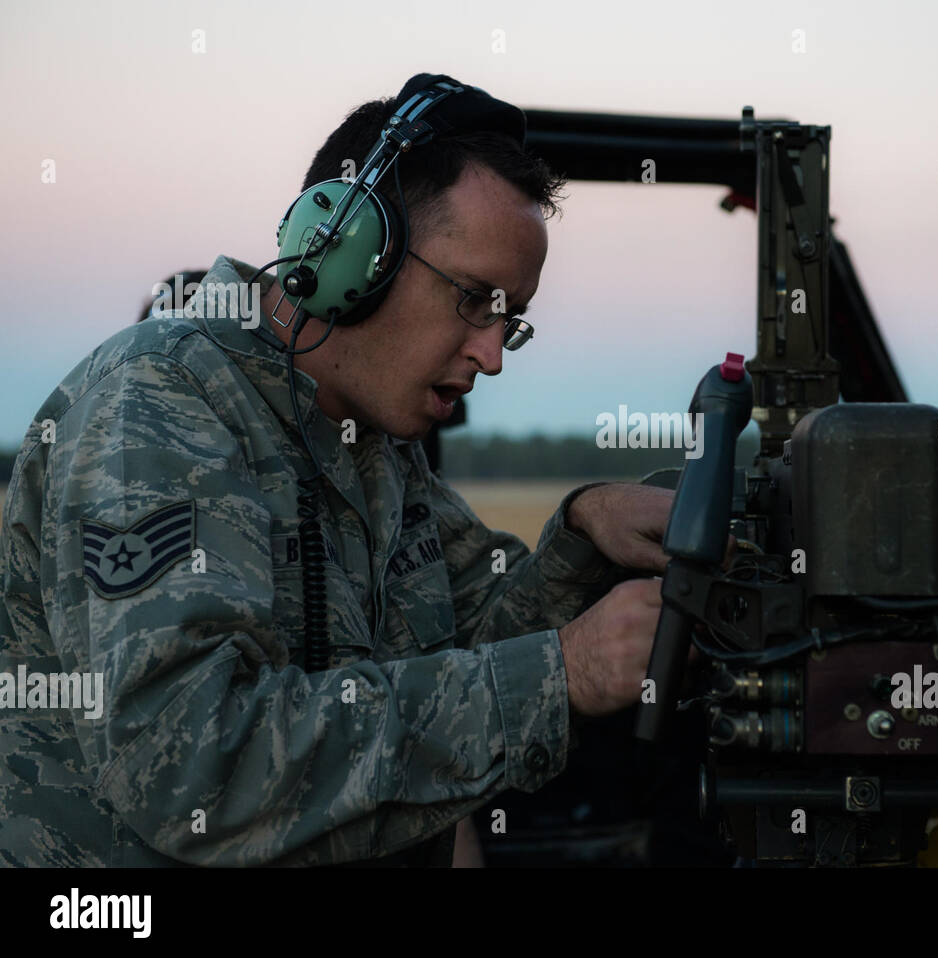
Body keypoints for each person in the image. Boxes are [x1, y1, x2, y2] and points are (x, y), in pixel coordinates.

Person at [0, 74, 683, 866]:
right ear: (349, 249)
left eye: (510, 320)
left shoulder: (368, 439)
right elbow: (194, 773)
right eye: (474, 300)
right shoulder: (157, 402)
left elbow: (475, 646)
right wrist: (559, 675)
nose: (492, 355)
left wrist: (585, 532)